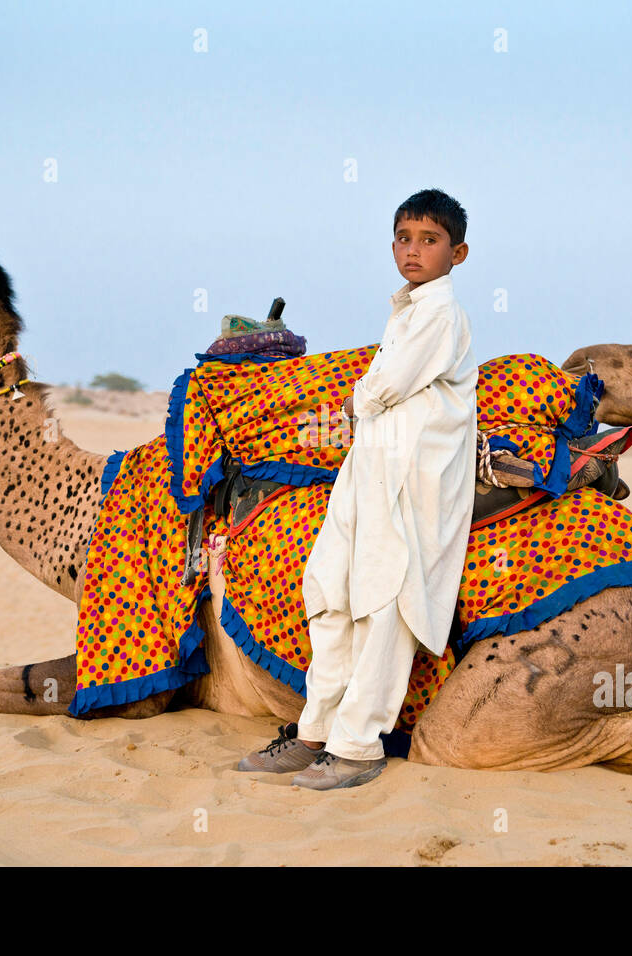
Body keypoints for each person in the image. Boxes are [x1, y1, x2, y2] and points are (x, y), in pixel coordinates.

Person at [237, 189, 478, 790]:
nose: (413, 250)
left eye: (429, 239)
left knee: (382, 601)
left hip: (409, 480)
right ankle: (315, 731)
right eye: (404, 238)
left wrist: (354, 399)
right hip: (368, 467)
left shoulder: (440, 313)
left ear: (459, 252)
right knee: (329, 590)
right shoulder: (408, 308)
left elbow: (384, 386)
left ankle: (359, 746)